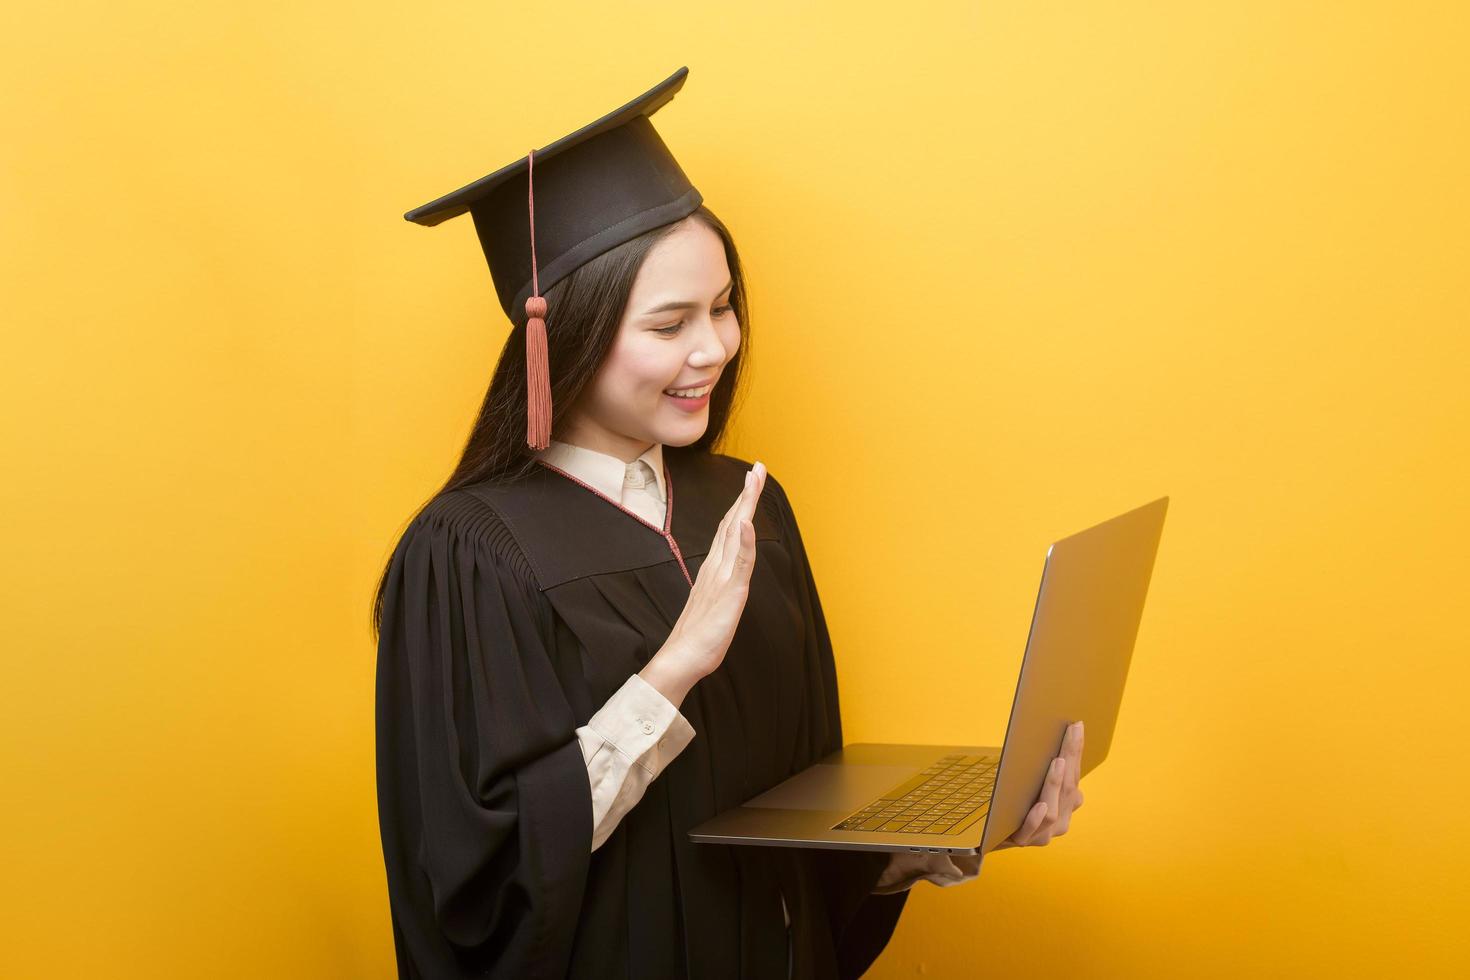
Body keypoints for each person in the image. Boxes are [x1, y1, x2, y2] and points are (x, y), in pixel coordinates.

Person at [372, 67, 1085, 980]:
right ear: (571, 335)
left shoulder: (745, 505)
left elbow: (796, 825)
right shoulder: (469, 552)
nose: (712, 349)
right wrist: (674, 669)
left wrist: (955, 834)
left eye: (722, 308)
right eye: (669, 324)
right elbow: (475, 888)